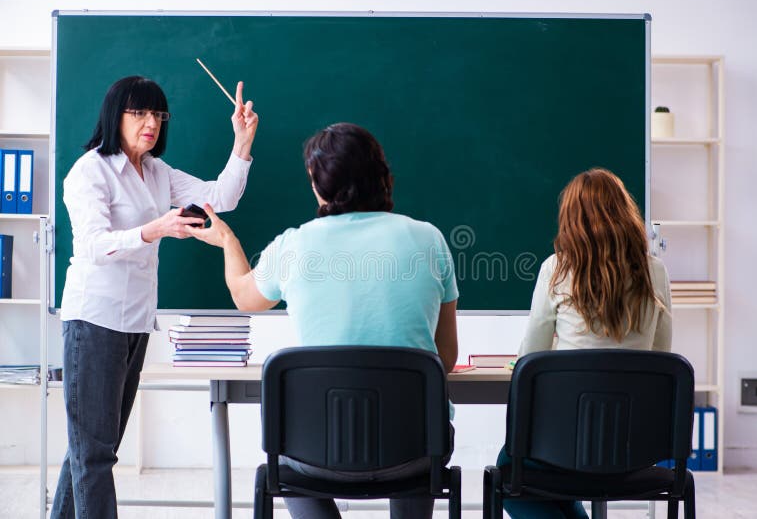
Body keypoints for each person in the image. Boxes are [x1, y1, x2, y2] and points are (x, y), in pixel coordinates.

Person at [188, 122, 459, 519]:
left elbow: (245, 297)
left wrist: (229, 242)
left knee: (286, 447)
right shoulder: (429, 240)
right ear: (382, 176)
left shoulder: (294, 245)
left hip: (313, 454)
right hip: (416, 450)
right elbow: (444, 359)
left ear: (318, 184)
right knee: (417, 427)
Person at [52, 75, 258, 519]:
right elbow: (92, 246)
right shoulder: (90, 171)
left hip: (136, 322)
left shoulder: (158, 172)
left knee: (92, 448)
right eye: (140, 113)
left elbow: (220, 197)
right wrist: (155, 229)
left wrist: (241, 143)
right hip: (94, 320)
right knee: (94, 454)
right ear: (115, 115)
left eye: (159, 115)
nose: (151, 123)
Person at [501, 167, 672, 519]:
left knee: (509, 469)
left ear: (571, 220)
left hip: (564, 445)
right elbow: (662, 358)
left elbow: (530, 359)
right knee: (551, 476)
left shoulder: (557, 269)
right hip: (636, 446)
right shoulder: (655, 272)